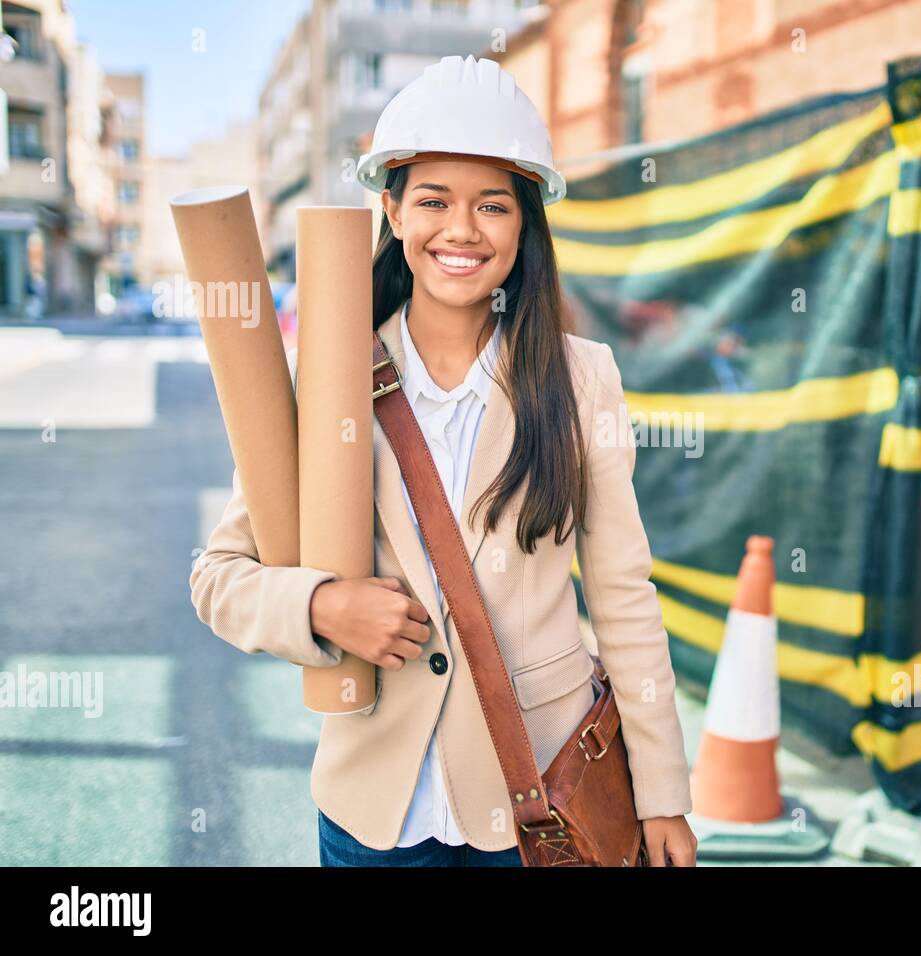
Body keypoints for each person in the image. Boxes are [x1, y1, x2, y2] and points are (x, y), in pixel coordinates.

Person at [189, 54, 698, 867]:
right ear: (391, 211)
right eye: (433, 200)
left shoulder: (583, 379)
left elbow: (624, 598)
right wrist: (321, 607)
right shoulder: (327, 377)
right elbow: (217, 575)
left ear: (525, 223)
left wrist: (664, 792)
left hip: (544, 795)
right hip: (376, 812)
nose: (461, 230)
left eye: (493, 206)